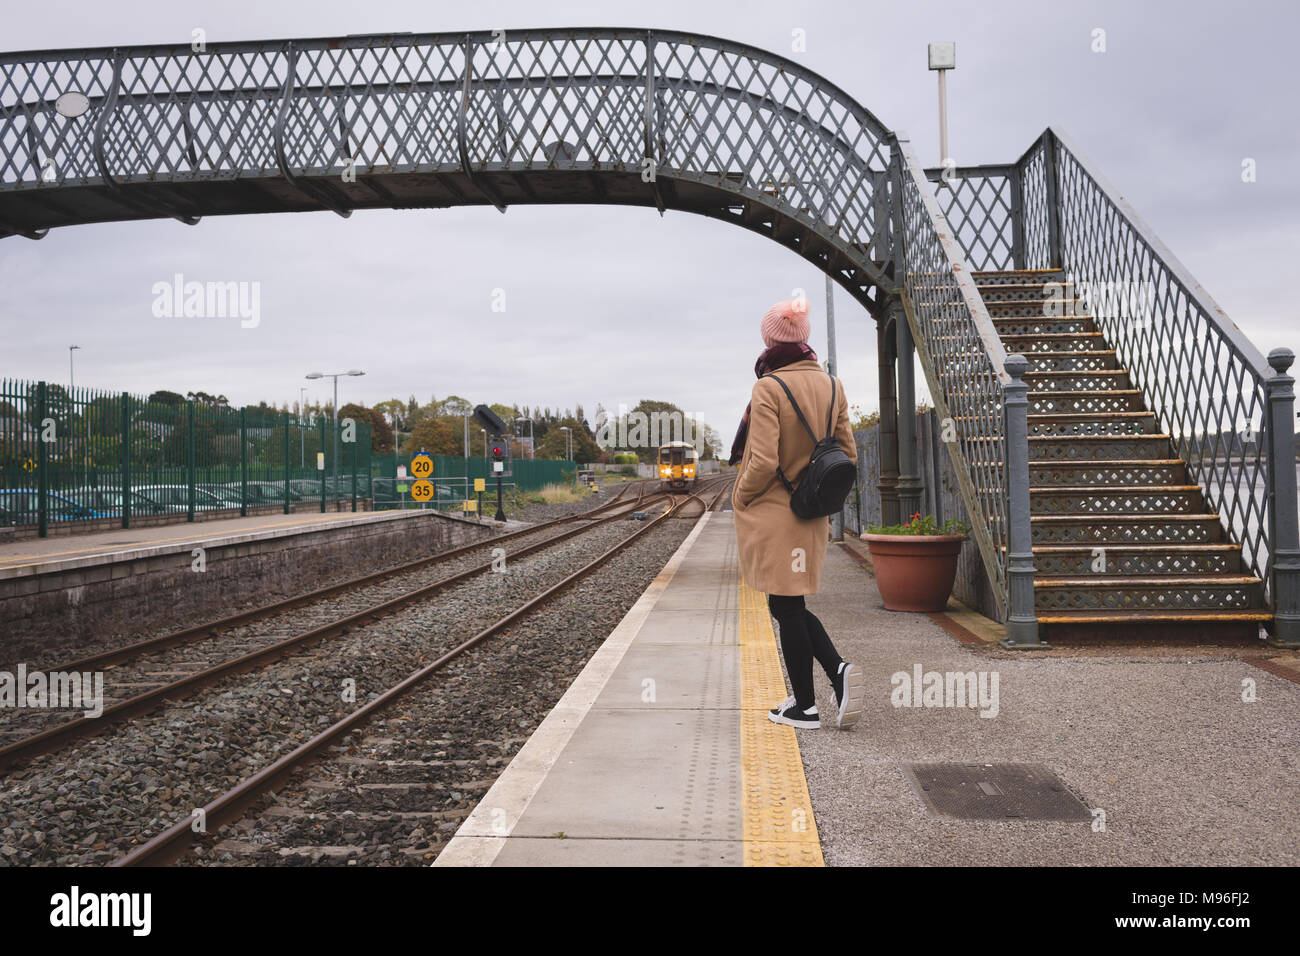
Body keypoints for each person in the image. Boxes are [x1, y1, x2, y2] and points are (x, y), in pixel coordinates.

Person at [729, 296, 865, 730]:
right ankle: (829, 681)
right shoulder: (832, 385)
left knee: (786, 606)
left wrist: (741, 496)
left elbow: (764, 461)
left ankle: (808, 704)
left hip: (775, 512)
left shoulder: (768, 388)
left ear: (769, 339)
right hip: (812, 510)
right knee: (790, 603)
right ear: (804, 339)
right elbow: (849, 453)